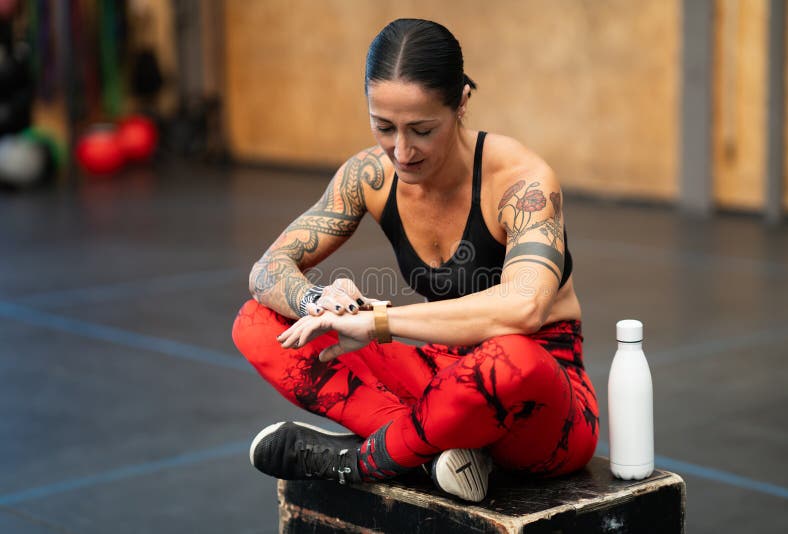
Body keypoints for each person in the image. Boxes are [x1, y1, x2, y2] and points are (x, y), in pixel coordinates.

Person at [231, 18, 598, 502]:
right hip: (441, 375)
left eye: (422, 130)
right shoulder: (368, 175)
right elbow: (266, 270)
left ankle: (364, 461)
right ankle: (428, 454)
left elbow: (524, 309)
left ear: (462, 102)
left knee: (512, 357)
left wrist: (378, 320)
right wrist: (320, 302)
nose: (401, 151)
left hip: (540, 407)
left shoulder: (521, 181)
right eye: (383, 127)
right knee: (257, 322)